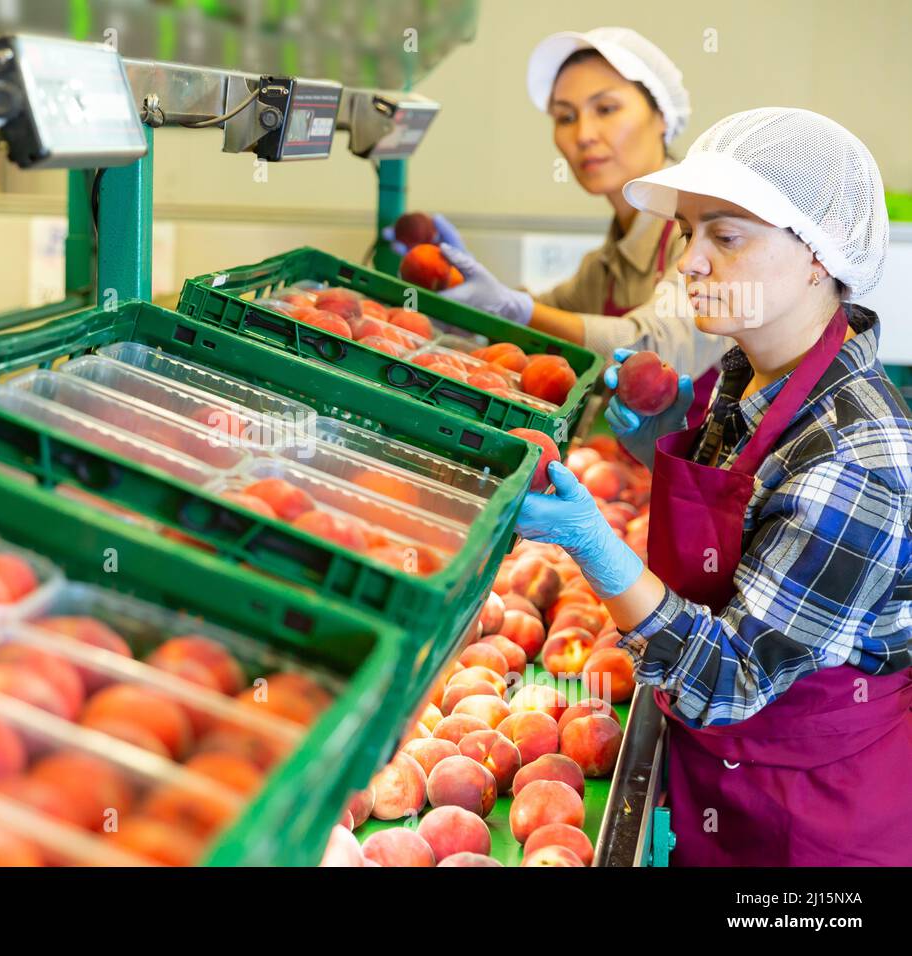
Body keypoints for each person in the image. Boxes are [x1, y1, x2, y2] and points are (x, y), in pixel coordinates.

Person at [516, 107, 912, 866]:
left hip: (815, 829)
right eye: (689, 234)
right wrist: (646, 429)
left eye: (724, 238)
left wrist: (592, 545)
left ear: (817, 258)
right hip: (733, 790)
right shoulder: (748, 378)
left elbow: (730, 678)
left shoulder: (860, 456)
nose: (689, 263)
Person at [388, 27, 729, 390]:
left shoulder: (707, 238)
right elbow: (539, 317)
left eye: (606, 109)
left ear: (661, 116)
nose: (583, 135)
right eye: (566, 117)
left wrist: (514, 308)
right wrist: (460, 277)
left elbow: (655, 351)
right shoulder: (605, 267)